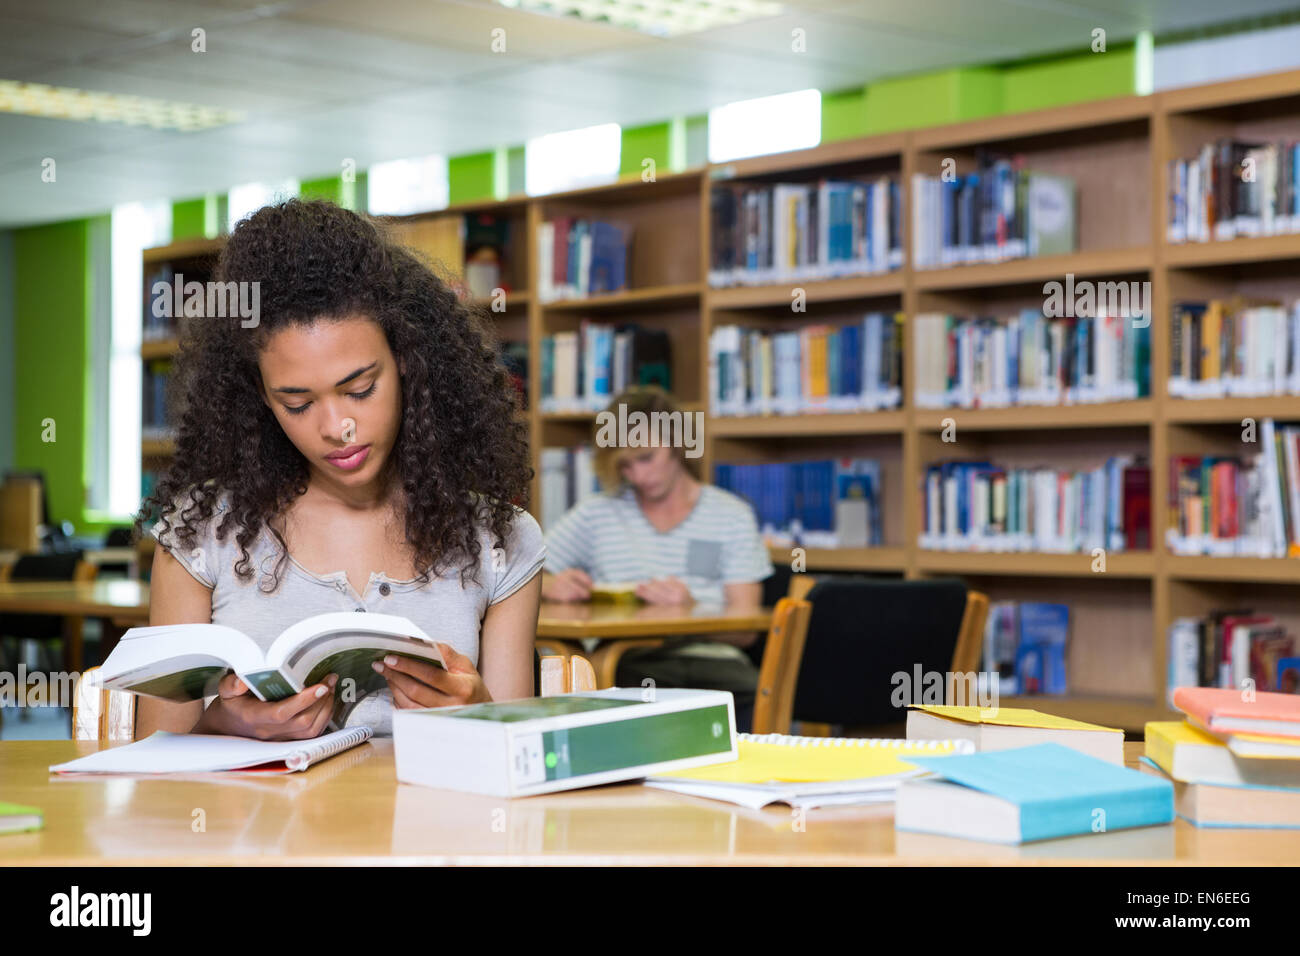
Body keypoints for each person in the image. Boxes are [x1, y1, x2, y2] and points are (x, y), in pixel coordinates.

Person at [134, 198, 544, 741]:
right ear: (259, 396)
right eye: (297, 403)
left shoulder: (499, 539)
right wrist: (220, 723)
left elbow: (517, 771)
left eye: (360, 389)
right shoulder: (201, 534)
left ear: (409, 361)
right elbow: (151, 773)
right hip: (258, 827)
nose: (337, 427)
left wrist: (478, 711)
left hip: (432, 826)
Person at [540, 386, 773, 730]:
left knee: (742, 693)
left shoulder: (731, 515)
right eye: (626, 466)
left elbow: (745, 630)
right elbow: (519, 572)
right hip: (624, 660)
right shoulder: (597, 514)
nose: (639, 476)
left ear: (677, 442)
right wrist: (550, 585)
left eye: (647, 457)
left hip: (711, 661)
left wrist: (692, 608)